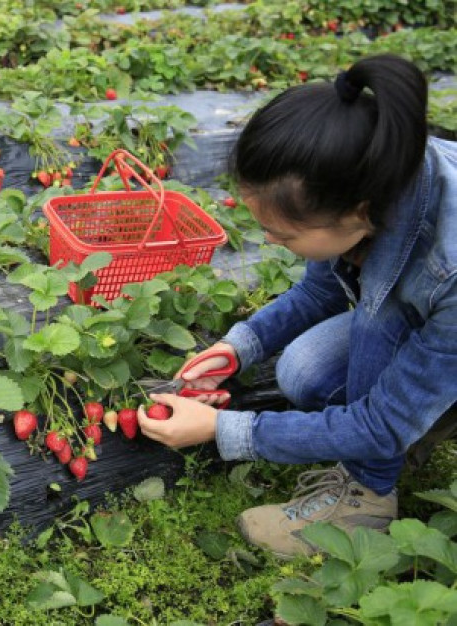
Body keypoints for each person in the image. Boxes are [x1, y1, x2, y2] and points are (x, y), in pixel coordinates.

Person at [136, 53, 457, 558]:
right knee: (306, 371)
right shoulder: (368, 172)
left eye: (281, 235)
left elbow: (380, 425)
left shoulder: (450, 266)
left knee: (382, 325)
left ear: (359, 213)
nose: (266, 240)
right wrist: (238, 346)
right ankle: (418, 413)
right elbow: (319, 290)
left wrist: (224, 429)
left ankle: (367, 501)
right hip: (435, 323)